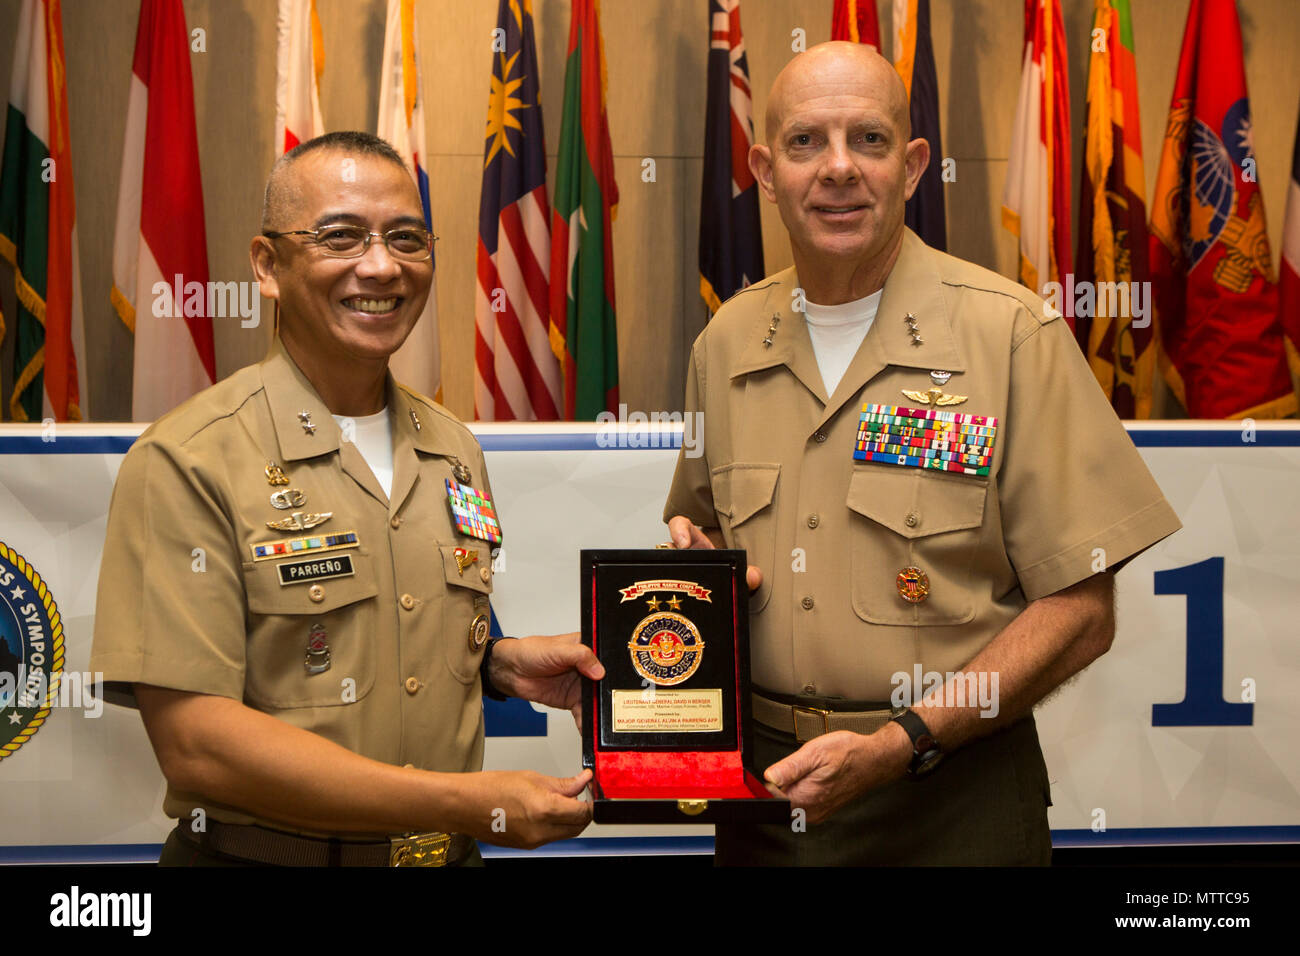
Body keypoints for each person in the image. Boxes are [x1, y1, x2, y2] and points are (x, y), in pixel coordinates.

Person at [664, 43, 1182, 865]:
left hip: (951, 801)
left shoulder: (1010, 335)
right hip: (763, 802)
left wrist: (903, 742)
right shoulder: (725, 343)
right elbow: (701, 535)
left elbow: (1082, 612)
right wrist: (697, 563)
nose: (837, 169)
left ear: (911, 168)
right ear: (764, 170)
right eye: (805, 143)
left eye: (867, 140)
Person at [90, 131, 602, 867]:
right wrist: (464, 801)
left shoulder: (452, 448)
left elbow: (390, 630)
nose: (382, 265)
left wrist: (500, 662)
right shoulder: (189, 458)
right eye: (341, 236)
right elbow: (198, 747)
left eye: (406, 237)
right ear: (267, 266)